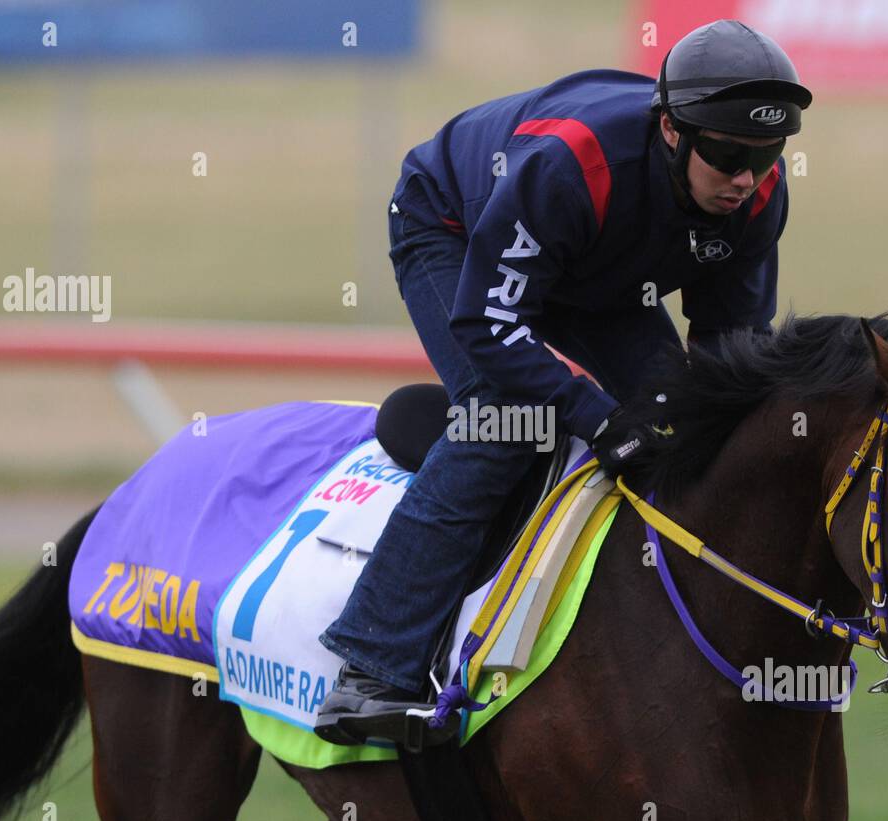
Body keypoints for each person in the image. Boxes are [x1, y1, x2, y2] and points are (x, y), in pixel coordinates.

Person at [314, 19, 812, 747]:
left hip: (596, 278)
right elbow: (491, 321)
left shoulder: (758, 200)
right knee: (508, 422)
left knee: (682, 427)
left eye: (767, 156)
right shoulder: (571, 162)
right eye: (730, 155)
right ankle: (371, 670)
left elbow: (726, 361)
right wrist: (600, 418)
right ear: (672, 131)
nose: (746, 178)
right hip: (452, 228)